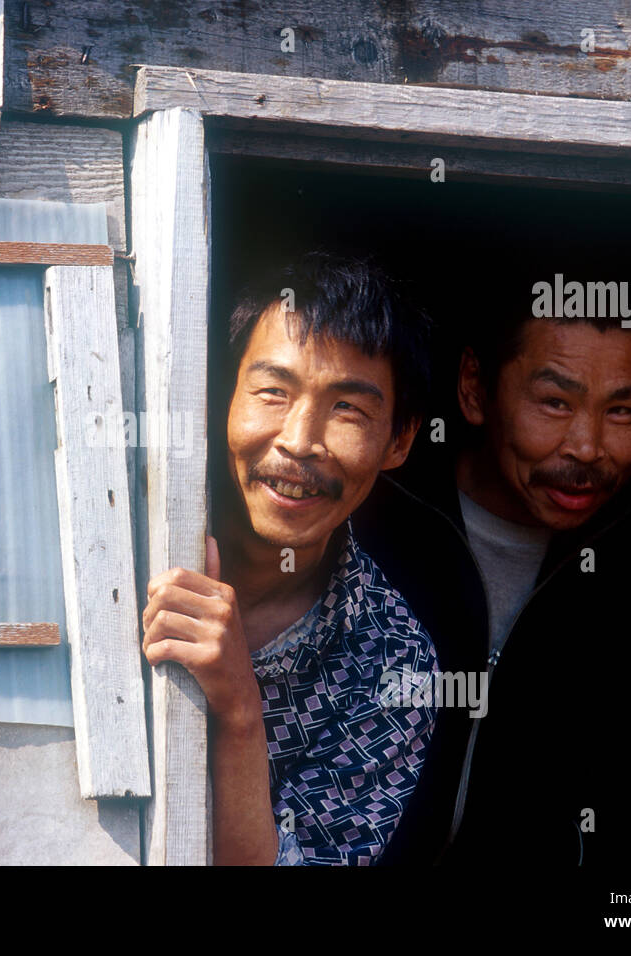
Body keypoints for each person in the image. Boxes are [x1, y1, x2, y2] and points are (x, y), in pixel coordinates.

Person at [361, 265, 631, 864]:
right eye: (554, 401)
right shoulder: (374, 519)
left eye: (623, 412)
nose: (588, 446)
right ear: (473, 387)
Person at [140, 252, 439, 864]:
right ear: (220, 397)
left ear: (400, 439)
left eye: (347, 409)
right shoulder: (129, 543)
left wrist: (239, 707)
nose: (299, 441)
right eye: (273, 392)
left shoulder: (393, 661)